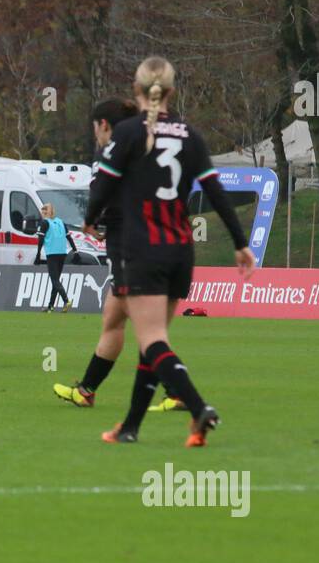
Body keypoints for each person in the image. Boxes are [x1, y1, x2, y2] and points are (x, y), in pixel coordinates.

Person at [95, 58, 256, 447]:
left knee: (152, 339)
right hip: (181, 249)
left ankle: (199, 407)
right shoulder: (191, 135)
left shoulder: (130, 132)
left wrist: (88, 217)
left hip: (145, 247)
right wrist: (239, 242)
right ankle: (131, 427)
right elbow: (216, 192)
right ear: (171, 90)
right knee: (154, 340)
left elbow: (102, 183)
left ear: (137, 88)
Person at [52, 99, 145, 408]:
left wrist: (92, 220)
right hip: (137, 238)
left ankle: (180, 393)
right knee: (114, 318)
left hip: (128, 242)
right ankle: (87, 389)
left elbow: (103, 191)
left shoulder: (112, 150)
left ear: (103, 124)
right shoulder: (144, 147)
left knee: (146, 324)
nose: (95, 134)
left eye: (95, 127)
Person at [34, 203, 78, 312]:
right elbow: (69, 237)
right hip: (62, 253)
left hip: (52, 254)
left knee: (54, 280)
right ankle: (50, 306)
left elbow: (40, 240)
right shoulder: (60, 222)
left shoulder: (45, 223)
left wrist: (38, 254)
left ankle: (66, 300)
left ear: (44, 212)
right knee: (56, 280)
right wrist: (75, 250)